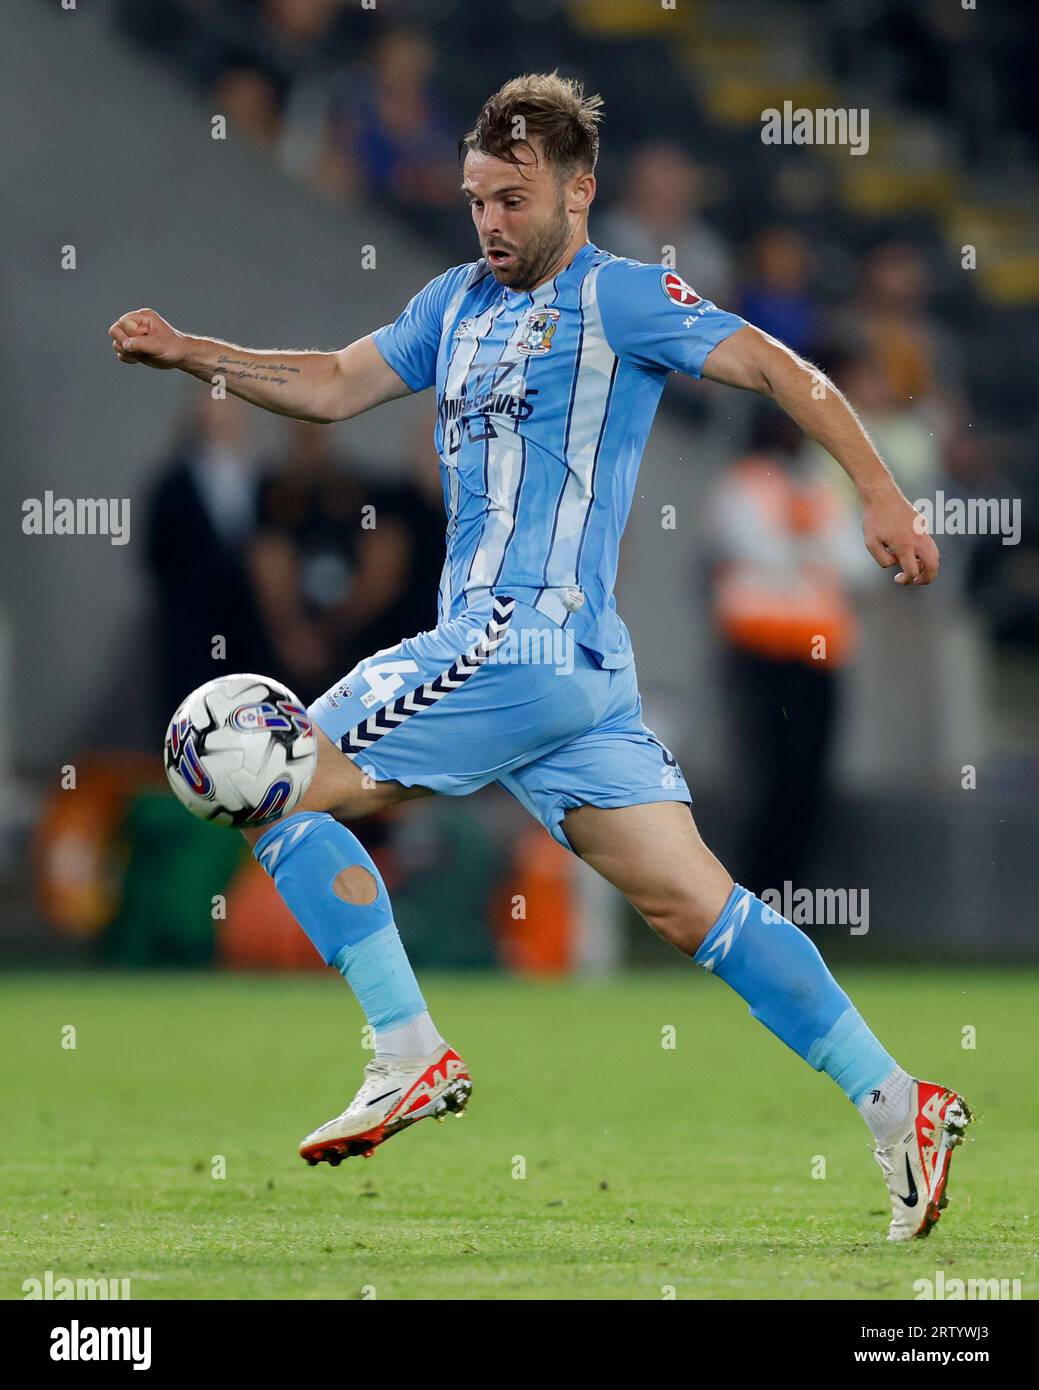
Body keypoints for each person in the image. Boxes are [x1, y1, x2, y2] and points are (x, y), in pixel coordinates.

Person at [108, 72, 968, 1242]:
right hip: (575, 680)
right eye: (475, 200)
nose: (492, 223)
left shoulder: (622, 298)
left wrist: (877, 488)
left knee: (261, 775)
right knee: (691, 905)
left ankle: (405, 1046)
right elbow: (332, 383)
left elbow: (777, 366)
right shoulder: (454, 303)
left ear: (578, 189)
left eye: (514, 199)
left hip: (516, 637)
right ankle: (895, 1100)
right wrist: (190, 354)